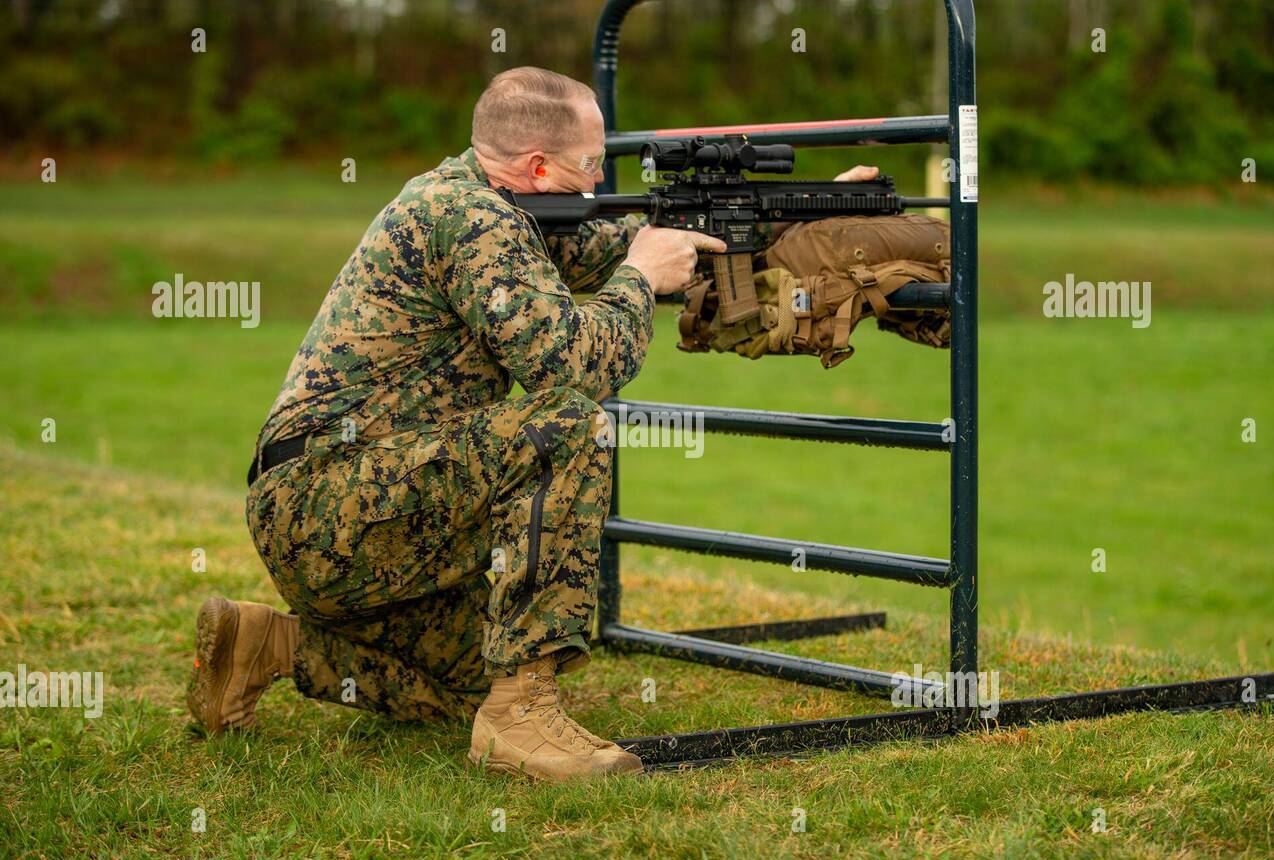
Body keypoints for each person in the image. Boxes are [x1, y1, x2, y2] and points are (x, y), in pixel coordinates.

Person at [186, 66, 877, 782]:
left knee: (469, 680)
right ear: (539, 166)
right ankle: (520, 720)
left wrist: (810, 211)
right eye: (589, 165)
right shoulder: (474, 220)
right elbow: (574, 366)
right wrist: (641, 277)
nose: (595, 183)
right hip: (332, 507)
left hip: (352, 508)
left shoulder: (485, 199)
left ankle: (269, 646)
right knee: (567, 422)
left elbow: (620, 239)